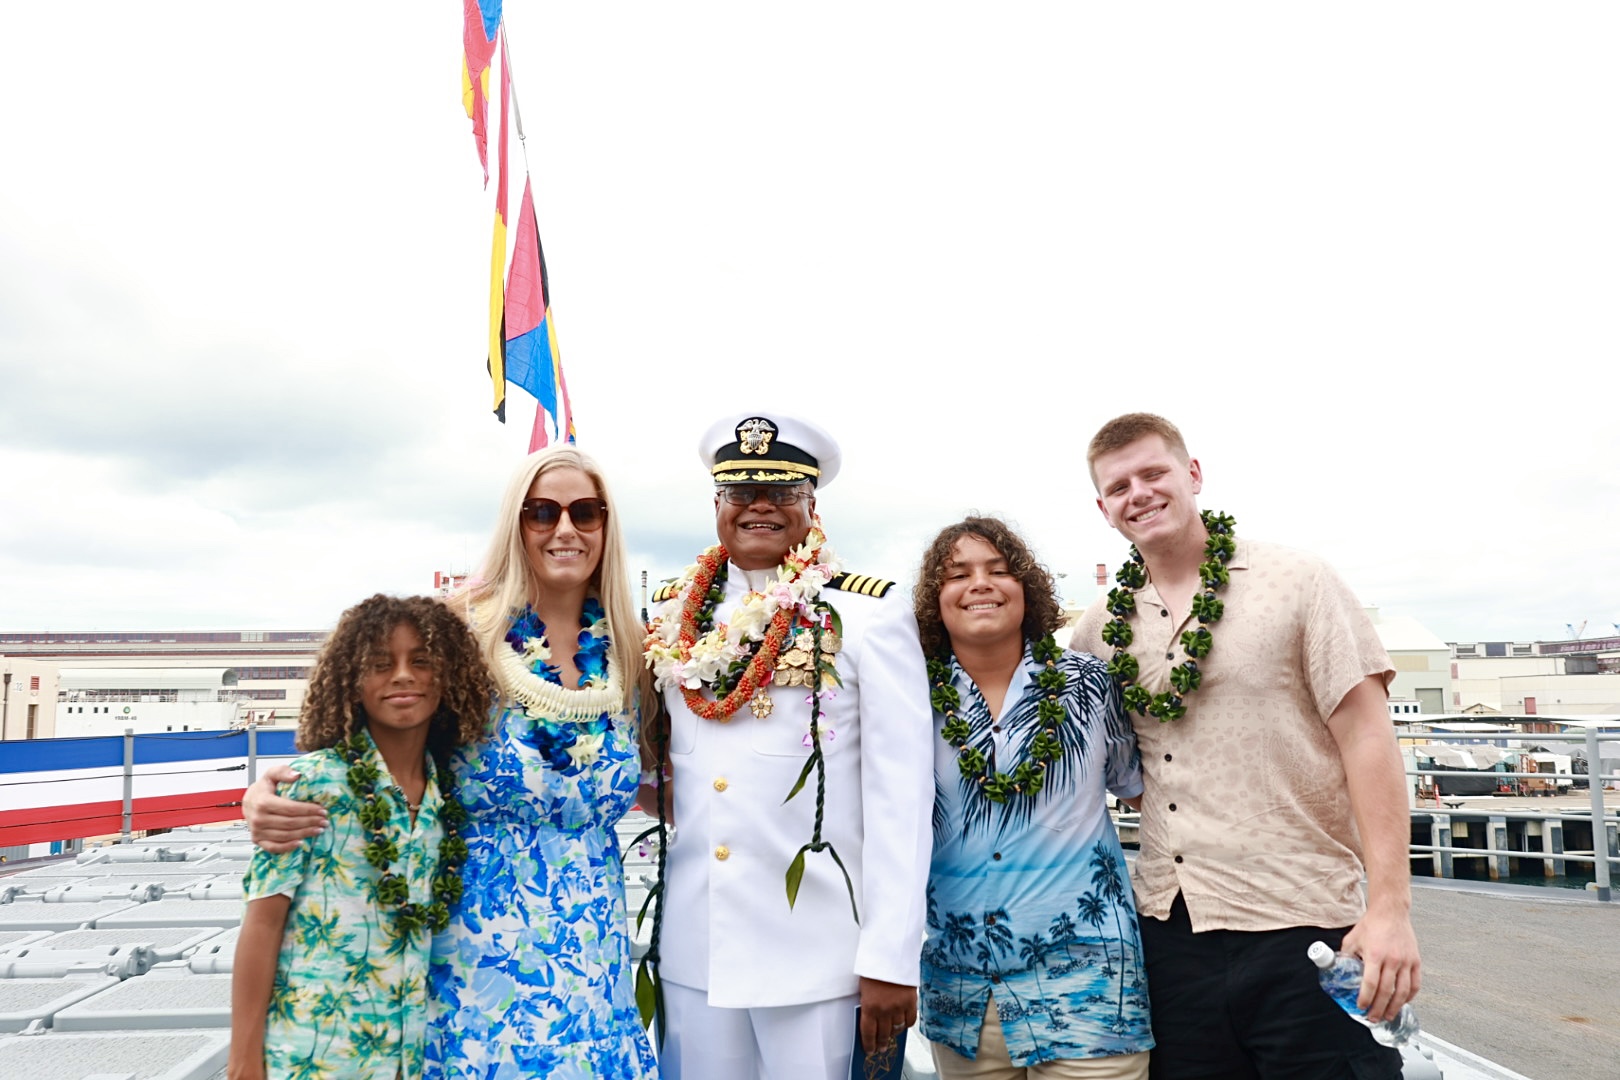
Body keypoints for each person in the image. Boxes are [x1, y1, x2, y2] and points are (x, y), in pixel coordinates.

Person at [242, 447, 658, 1079]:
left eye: (586, 512)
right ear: (515, 526)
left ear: (607, 526)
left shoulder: (634, 654)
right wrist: (266, 788)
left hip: (594, 964)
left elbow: (675, 782)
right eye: (541, 512)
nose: (565, 529)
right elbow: (365, 731)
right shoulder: (464, 635)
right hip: (471, 965)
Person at [1070, 413, 1421, 1079]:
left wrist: (1390, 912)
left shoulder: (1298, 581)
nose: (1138, 493)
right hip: (1173, 936)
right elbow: (1116, 767)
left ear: (1193, 474)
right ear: (1104, 509)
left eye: (1154, 473)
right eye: (1119, 487)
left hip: (1306, 924)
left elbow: (1369, 740)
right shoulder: (1098, 629)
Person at [642, 412, 934, 1080]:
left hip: (819, 959)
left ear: (812, 505)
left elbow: (901, 797)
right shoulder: (667, 616)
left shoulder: (865, 613)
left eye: (782, 491)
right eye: (742, 493)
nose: (761, 506)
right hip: (698, 952)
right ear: (718, 504)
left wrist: (889, 959)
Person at [913, 517, 1152, 1080]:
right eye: (958, 575)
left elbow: (1148, 793)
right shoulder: (908, 694)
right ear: (934, 600)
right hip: (963, 988)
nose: (980, 584)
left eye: (999, 571)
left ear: (1028, 589)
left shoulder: (1090, 684)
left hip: (1088, 985)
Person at [229, 594, 491, 1080]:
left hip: (410, 1058)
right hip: (311, 1057)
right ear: (351, 681)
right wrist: (243, 1062)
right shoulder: (310, 785)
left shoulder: (450, 796)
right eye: (379, 663)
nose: (403, 675)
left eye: (422, 661)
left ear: (448, 677)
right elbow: (262, 924)